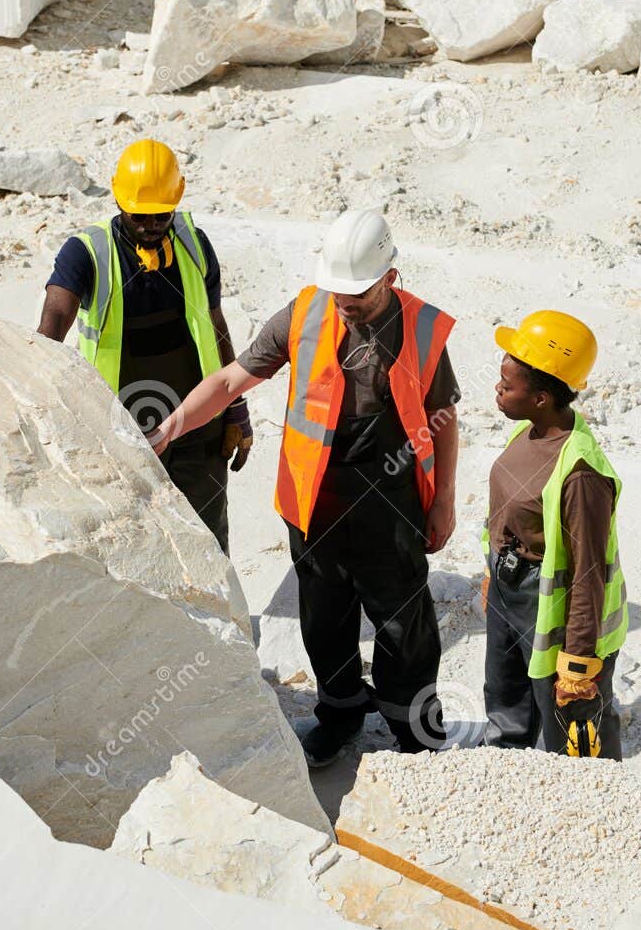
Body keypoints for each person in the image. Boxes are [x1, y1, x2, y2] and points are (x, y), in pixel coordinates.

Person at [149, 209, 460, 766]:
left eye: (358, 293)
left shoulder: (421, 327)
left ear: (391, 276)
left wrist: (443, 501)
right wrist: (170, 427)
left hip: (392, 499)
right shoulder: (304, 313)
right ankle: (338, 716)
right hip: (315, 497)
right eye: (337, 288)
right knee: (324, 616)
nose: (346, 302)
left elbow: (443, 415)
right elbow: (228, 380)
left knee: (403, 622)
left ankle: (415, 732)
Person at [36, 138, 251, 552]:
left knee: (207, 537)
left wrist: (236, 408)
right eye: (140, 216)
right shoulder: (86, 253)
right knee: (136, 544)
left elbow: (216, 322)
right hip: (121, 429)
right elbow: (52, 327)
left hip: (198, 423)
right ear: (119, 201)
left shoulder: (194, 244)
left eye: (161, 215)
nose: (152, 225)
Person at [481, 310, 627, 761]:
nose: (498, 390)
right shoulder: (528, 435)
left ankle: (592, 803)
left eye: (508, 385)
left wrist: (579, 660)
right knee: (506, 701)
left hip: (556, 610)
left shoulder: (581, 472)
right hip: (510, 591)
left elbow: (588, 572)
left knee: (573, 726)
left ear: (542, 397)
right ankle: (510, 774)